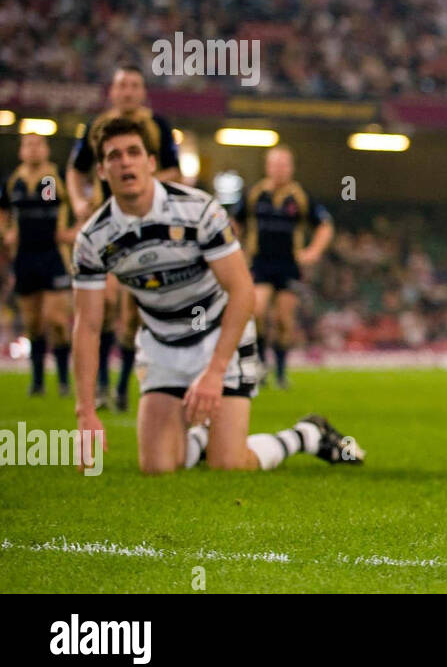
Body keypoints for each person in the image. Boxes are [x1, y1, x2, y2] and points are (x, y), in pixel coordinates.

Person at [70, 115, 362, 474]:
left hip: (220, 335)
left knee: (230, 463)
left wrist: (214, 371)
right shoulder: (92, 239)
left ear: (150, 163)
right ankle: (201, 439)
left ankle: (306, 434)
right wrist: (85, 409)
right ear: (101, 170)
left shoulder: (198, 210)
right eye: (114, 156)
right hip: (162, 343)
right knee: (158, 468)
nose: (125, 161)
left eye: (133, 152)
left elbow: (241, 292)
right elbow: (87, 325)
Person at [67, 64, 181, 412]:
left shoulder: (158, 125)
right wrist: (78, 202)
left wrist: (140, 183)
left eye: (134, 85)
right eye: (122, 86)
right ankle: (100, 385)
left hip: (149, 226)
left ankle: (120, 387)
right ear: (112, 92)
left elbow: (175, 170)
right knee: (102, 307)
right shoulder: (96, 126)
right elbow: (75, 168)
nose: (128, 92)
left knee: (132, 315)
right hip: (109, 228)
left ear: (143, 91)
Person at [235, 147, 334, 389]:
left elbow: (324, 225)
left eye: (284, 164)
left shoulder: (300, 196)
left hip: (288, 265)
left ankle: (280, 373)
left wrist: (313, 252)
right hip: (260, 262)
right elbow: (233, 223)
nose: (279, 169)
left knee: (283, 320)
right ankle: (259, 366)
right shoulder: (254, 194)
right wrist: (233, 250)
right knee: (256, 311)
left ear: (291, 167)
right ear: (267, 167)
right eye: (275, 164)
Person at [0, 134, 75, 396]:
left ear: (46, 149)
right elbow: (4, 212)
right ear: (21, 151)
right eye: (28, 145)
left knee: (55, 319)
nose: (33, 150)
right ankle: (38, 381)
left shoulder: (58, 178)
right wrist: (6, 232)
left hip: (54, 255)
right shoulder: (13, 181)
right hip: (25, 257)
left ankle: (64, 379)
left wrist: (71, 233)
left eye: (38, 144)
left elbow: (82, 209)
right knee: (32, 322)